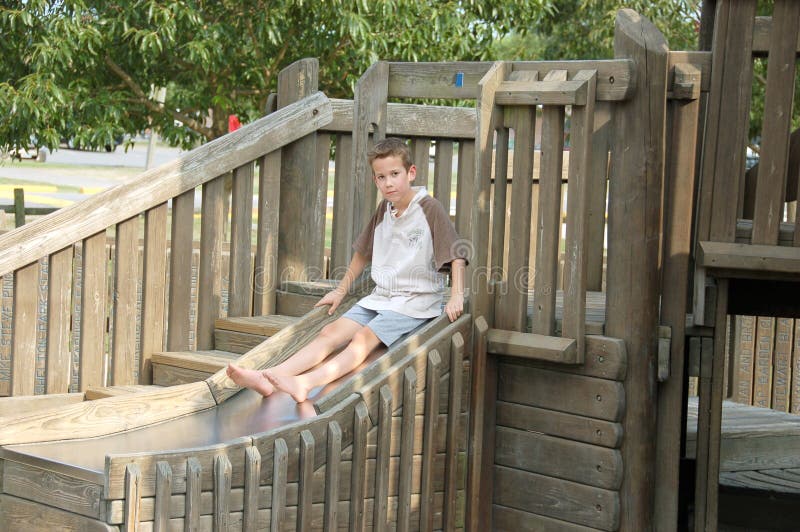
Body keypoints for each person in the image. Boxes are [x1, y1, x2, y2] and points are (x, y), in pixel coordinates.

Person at [227, 137, 468, 402]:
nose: (388, 182)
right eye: (381, 177)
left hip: (414, 301)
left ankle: (304, 384)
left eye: (395, 174)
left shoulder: (428, 208)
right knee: (329, 332)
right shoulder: (384, 209)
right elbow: (363, 253)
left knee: (362, 340)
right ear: (375, 180)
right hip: (383, 296)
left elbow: (456, 253)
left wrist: (456, 295)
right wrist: (340, 292)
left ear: (411, 173)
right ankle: (268, 378)